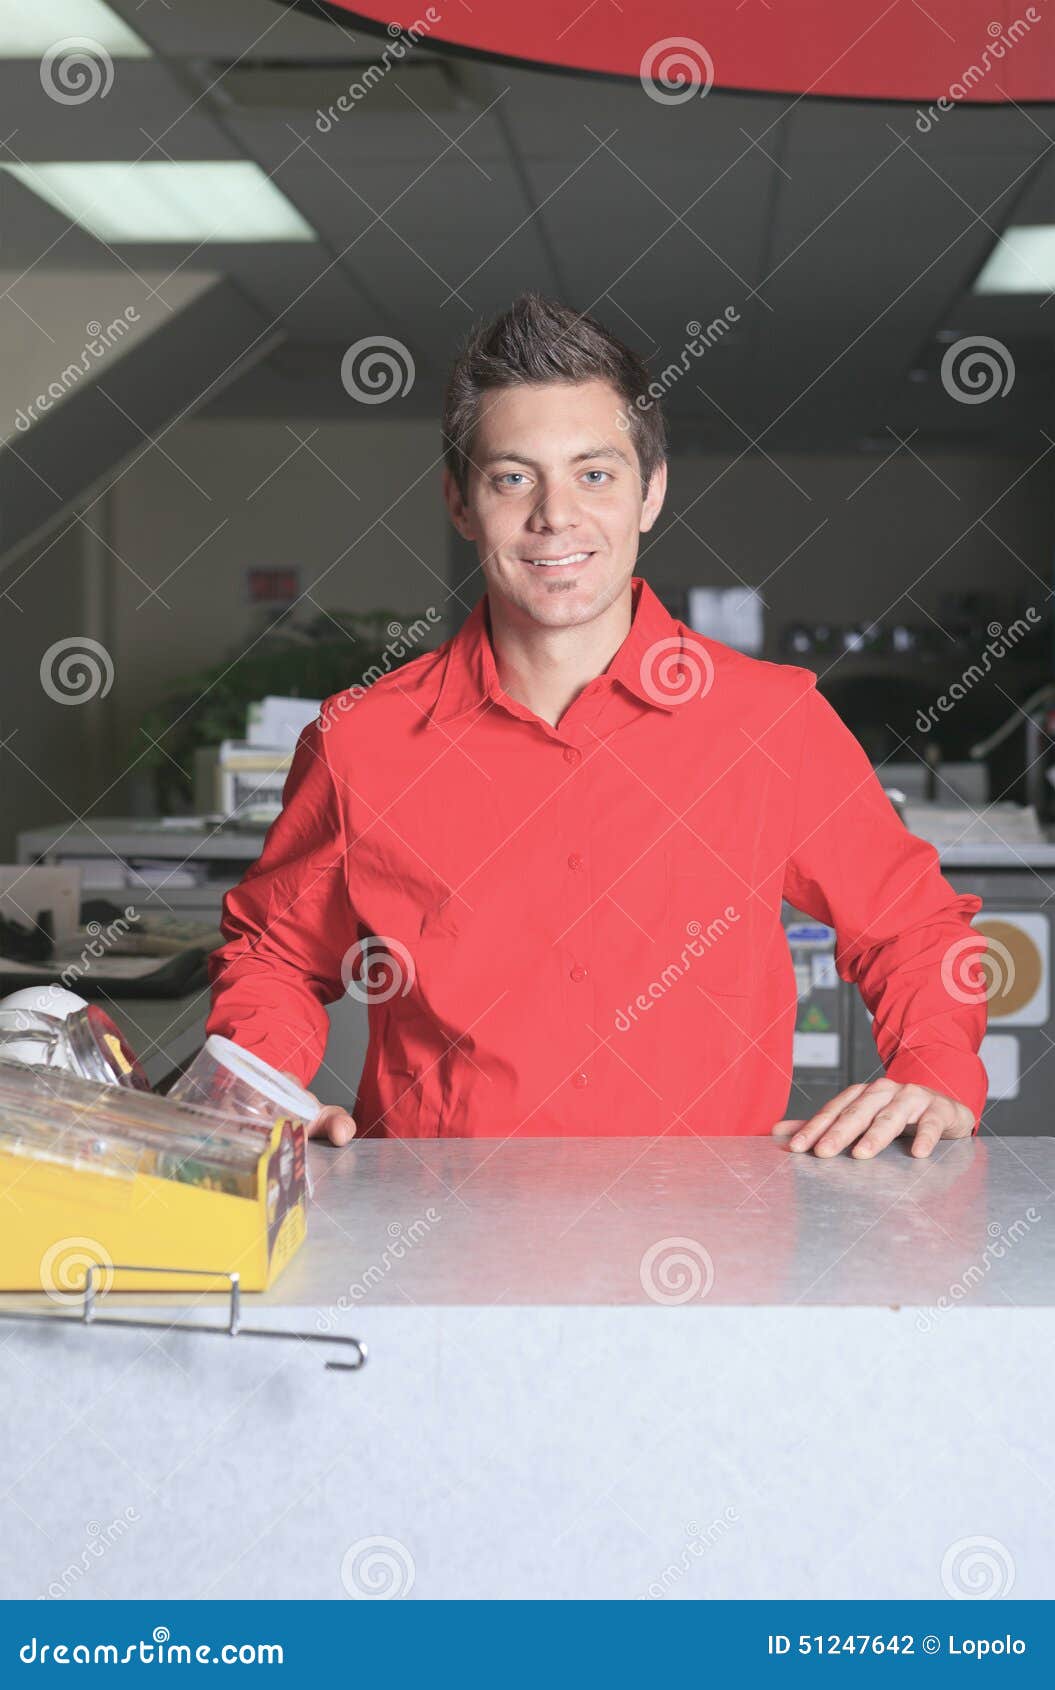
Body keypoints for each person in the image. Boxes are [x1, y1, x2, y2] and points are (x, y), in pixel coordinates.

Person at [206, 292, 988, 1159]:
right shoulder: (362, 740)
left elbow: (911, 928)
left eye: (594, 474)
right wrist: (261, 1093)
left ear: (650, 493)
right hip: (434, 1225)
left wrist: (932, 1068)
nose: (554, 516)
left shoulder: (771, 720)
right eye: (513, 477)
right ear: (460, 503)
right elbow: (275, 958)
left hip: (711, 1225)